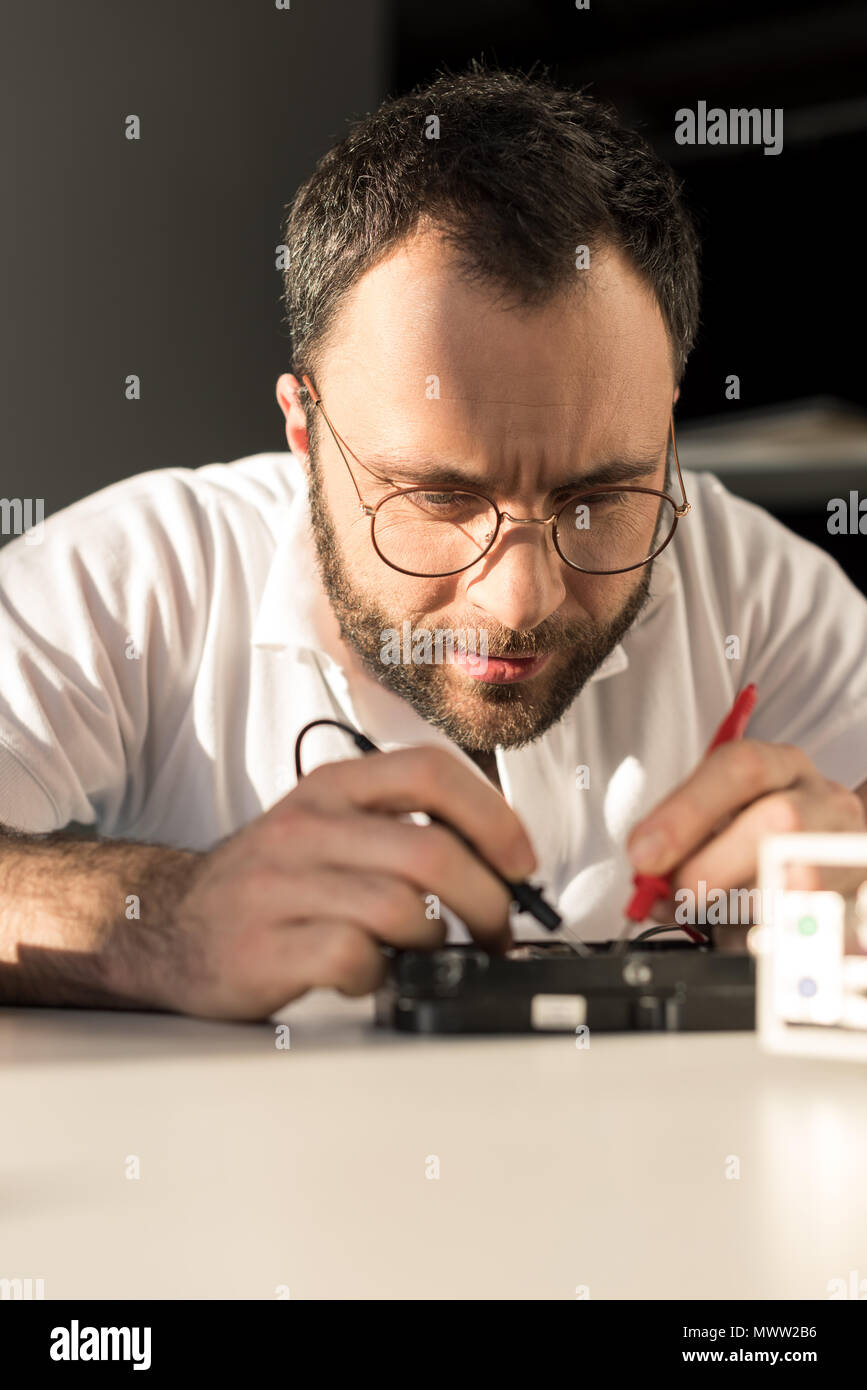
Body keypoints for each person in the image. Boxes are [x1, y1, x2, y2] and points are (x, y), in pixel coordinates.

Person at [1, 67, 865, 1019]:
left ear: (665, 429)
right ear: (304, 434)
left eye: (599, 496)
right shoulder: (151, 573)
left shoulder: (760, 591)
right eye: (439, 496)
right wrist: (158, 923)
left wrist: (849, 903)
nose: (520, 601)